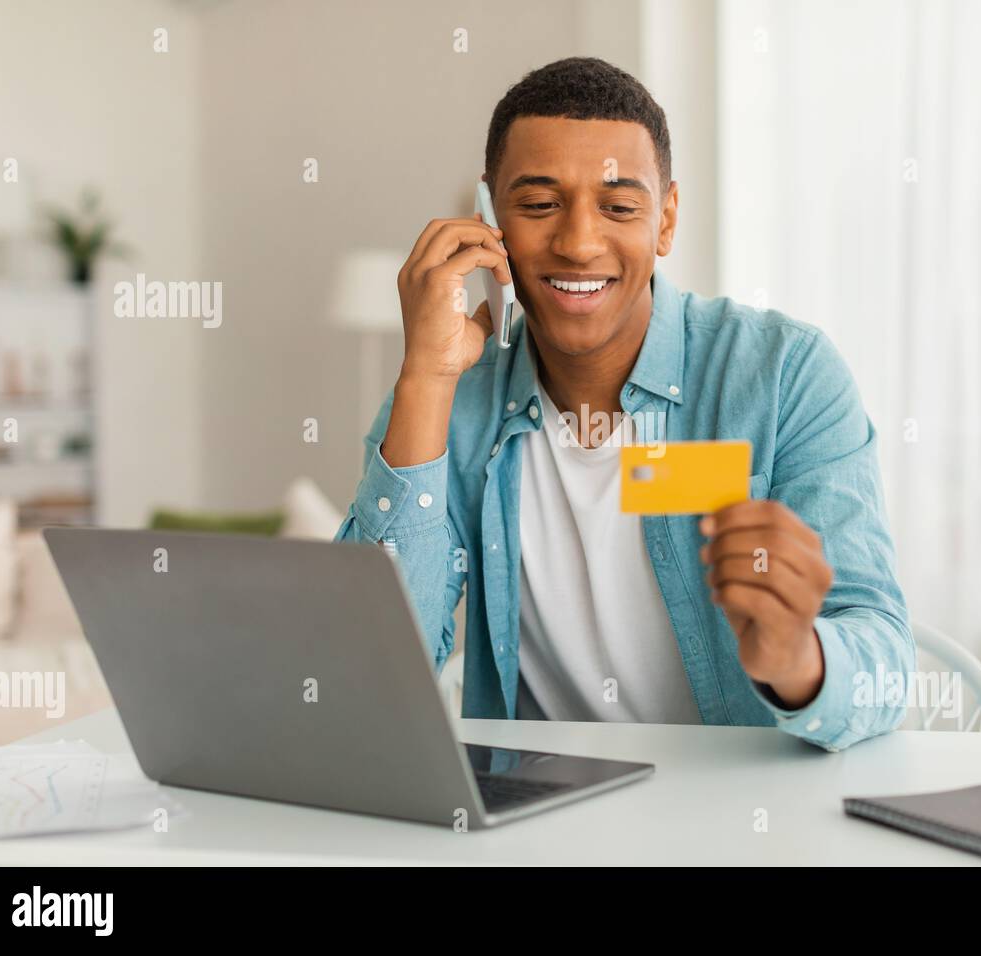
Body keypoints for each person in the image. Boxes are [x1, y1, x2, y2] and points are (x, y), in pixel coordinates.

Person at [335, 57, 912, 751]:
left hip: (747, 825)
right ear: (491, 220)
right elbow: (364, 679)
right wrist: (425, 379)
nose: (579, 244)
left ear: (665, 220)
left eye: (619, 206)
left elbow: (885, 664)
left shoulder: (785, 375)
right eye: (540, 204)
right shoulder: (452, 394)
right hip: (536, 826)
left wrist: (797, 660)